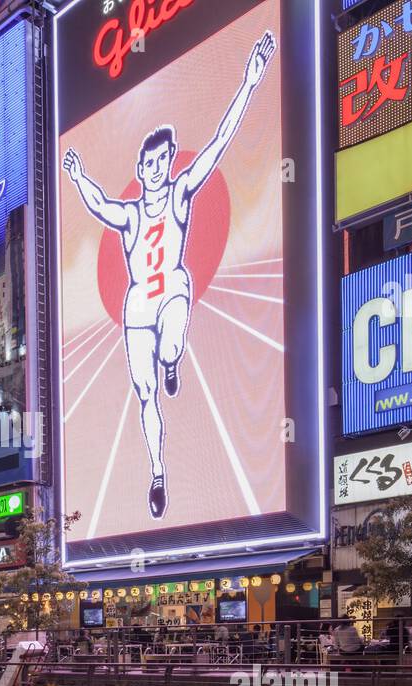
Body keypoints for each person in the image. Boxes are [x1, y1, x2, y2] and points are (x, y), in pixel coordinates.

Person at [61, 31, 274, 519]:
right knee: (144, 391)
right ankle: (159, 473)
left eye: (162, 160)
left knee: (170, 346)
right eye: (149, 162)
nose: (156, 168)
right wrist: (76, 177)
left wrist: (249, 81)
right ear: (139, 166)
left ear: (167, 161)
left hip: (173, 288)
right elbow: (100, 206)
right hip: (138, 304)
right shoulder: (133, 214)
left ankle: (172, 358)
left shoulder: (180, 193)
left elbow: (220, 144)